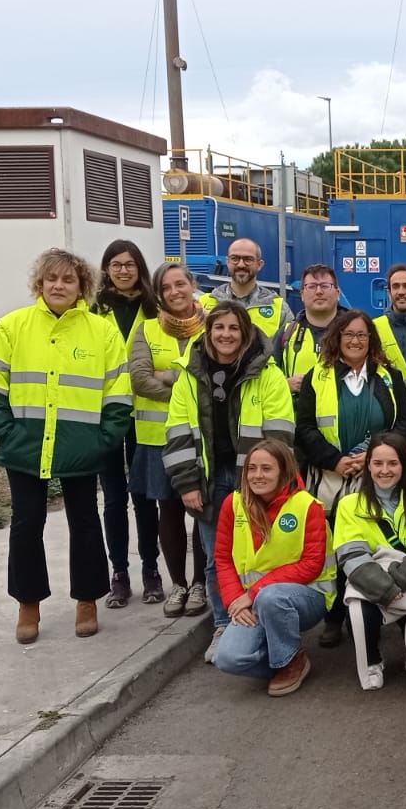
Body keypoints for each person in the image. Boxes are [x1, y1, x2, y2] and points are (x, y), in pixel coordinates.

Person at [0, 248, 132, 643]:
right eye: (51, 279)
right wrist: (5, 432)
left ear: (83, 287)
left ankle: (87, 600)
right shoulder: (11, 327)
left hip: (83, 447)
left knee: (84, 522)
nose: (58, 286)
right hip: (25, 444)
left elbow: (119, 392)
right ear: (39, 283)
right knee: (27, 524)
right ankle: (28, 605)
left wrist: (104, 441)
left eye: (68, 280)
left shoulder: (103, 332)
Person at [165, 301, 295, 663]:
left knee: (260, 552)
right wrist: (187, 482)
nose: (225, 335)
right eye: (218, 328)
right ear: (208, 333)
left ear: (246, 332)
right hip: (208, 477)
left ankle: (262, 618)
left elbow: (280, 430)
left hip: (253, 478)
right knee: (216, 556)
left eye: (233, 328)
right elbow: (176, 431)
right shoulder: (189, 375)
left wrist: (269, 481)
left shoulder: (266, 373)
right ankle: (224, 622)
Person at [294, 309, 406, 647]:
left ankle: (384, 612)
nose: (356, 341)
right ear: (336, 338)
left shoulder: (390, 376)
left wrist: (372, 457)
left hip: (379, 475)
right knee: (335, 550)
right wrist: (335, 460)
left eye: (362, 335)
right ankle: (334, 617)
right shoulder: (318, 376)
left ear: (371, 339)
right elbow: (304, 428)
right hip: (330, 478)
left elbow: (405, 424)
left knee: (379, 546)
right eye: (349, 335)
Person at [211, 440, 334, 697]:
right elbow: (223, 558)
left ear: (283, 471)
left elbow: (312, 564)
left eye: (266, 468)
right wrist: (235, 599)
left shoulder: (307, 506)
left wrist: (253, 593)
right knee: (228, 659)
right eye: (251, 469)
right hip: (255, 601)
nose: (257, 475)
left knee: (271, 597)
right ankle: (287, 655)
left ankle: (289, 662)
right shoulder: (233, 504)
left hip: (309, 596)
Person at [332, 431, 406, 690]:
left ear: (404, 465)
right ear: (368, 465)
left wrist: (397, 583)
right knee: (358, 616)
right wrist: (384, 589)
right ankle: (372, 660)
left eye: (393, 463)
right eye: (378, 463)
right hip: (372, 583)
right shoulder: (349, 505)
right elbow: (350, 557)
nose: (385, 470)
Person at [129, 262, 210, 619]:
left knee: (202, 511)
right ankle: (178, 584)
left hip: (203, 435)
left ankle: (200, 584)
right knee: (170, 511)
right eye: (167, 287)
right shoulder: (146, 330)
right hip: (157, 438)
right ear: (159, 294)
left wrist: (169, 377)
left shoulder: (213, 327)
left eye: (181, 284)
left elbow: (215, 376)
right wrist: (187, 386)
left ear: (193, 285)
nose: (175, 292)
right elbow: (140, 380)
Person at [91, 240, 162, 608]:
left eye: (130, 264)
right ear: (106, 268)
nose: (122, 270)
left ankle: (151, 570)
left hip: (144, 416)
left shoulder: (154, 309)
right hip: (105, 415)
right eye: (115, 264)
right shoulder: (92, 311)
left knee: (144, 497)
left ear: (140, 268)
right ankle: (119, 573)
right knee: (114, 499)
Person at [200, 238, 286, 345]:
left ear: (260, 264)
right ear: (227, 262)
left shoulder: (278, 307)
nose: (241, 265)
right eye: (235, 258)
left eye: (248, 259)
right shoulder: (204, 303)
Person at [275, 264, 342, 394]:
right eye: (311, 286)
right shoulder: (287, 334)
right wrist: (286, 384)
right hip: (298, 413)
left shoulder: (354, 333)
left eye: (325, 286)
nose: (318, 292)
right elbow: (265, 379)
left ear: (337, 293)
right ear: (302, 295)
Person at [374, 263, 406, 385]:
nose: (401, 292)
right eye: (396, 286)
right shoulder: (374, 327)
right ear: (389, 292)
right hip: (390, 402)